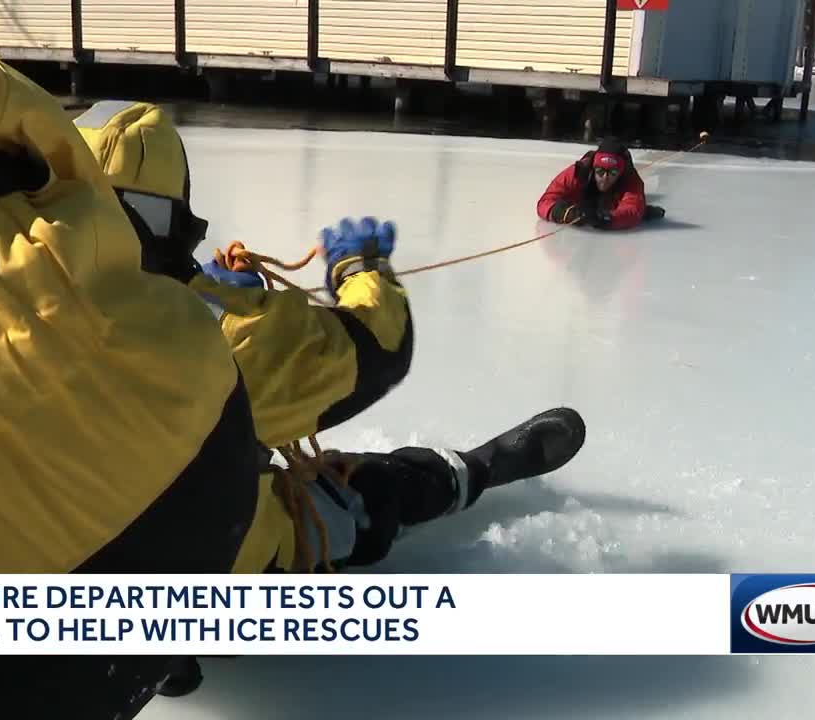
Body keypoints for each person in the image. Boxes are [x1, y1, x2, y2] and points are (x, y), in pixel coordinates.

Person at [0, 1, 579, 715]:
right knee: (326, 513)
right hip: (173, 558)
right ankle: (455, 476)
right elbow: (372, 352)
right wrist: (359, 266)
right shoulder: (197, 328)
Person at [74, 100, 588, 697]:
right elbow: (378, 344)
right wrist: (356, 268)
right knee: (354, 505)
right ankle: (468, 473)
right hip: (209, 588)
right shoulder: (216, 333)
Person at [536, 140, 666, 230]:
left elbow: (632, 210)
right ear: (593, 167)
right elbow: (545, 202)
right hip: (580, 202)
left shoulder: (631, 180)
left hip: (611, 206)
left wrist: (606, 218)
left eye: (613, 172)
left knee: (640, 210)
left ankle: (646, 210)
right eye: (600, 171)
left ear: (621, 172)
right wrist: (563, 213)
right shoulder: (577, 172)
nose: (605, 178)